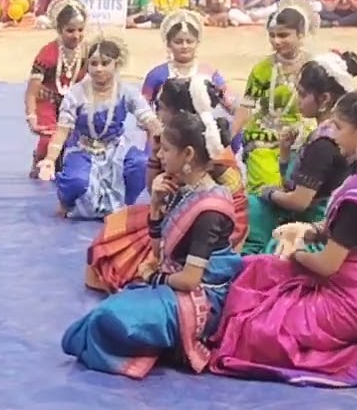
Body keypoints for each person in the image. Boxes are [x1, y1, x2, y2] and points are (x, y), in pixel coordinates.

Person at [209, 88, 357, 387]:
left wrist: (295, 251)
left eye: (340, 127)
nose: (333, 135)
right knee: (255, 267)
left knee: (256, 330)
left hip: (352, 302)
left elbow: (326, 266)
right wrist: (311, 230)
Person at [61, 109, 242, 378]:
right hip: (173, 286)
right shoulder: (185, 190)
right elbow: (160, 251)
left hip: (200, 299)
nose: (158, 155)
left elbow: (190, 279)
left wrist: (152, 276)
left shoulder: (210, 210)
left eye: (166, 149)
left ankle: (166, 344)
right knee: (95, 319)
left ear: (188, 155)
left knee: (109, 320)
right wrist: (156, 206)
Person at [86, 76, 249, 292]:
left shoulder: (208, 149)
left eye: (160, 107)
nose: (157, 114)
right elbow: (155, 185)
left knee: (117, 259)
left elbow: (226, 203)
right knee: (114, 230)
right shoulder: (173, 141)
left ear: (177, 111)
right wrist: (157, 161)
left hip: (208, 226)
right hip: (177, 209)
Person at [242, 51, 357, 255]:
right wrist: (285, 154)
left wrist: (267, 193)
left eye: (303, 94)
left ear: (324, 98)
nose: (298, 99)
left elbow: (299, 201)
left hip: (315, 225)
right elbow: (296, 186)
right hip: (323, 216)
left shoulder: (324, 142)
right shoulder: (335, 132)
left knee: (253, 206)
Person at [37, 33, 161, 220]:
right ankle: (67, 203)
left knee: (139, 164)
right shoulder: (76, 94)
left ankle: (123, 206)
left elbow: (150, 120)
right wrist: (49, 160)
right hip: (83, 149)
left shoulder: (126, 91)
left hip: (117, 149)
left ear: (116, 64)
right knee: (76, 182)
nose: (98, 69)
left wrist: (161, 148)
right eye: (93, 63)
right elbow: (63, 130)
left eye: (105, 63)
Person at [231, 0, 316, 193]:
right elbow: (246, 106)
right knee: (267, 191)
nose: (276, 41)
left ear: (301, 34)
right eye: (272, 36)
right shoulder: (262, 69)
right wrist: (230, 142)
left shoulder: (315, 67)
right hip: (265, 138)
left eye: (284, 35)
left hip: (304, 136)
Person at [24, 0, 87, 178]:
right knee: (47, 141)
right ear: (59, 30)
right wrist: (32, 117)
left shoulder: (88, 51)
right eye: (70, 30)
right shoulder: (47, 54)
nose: (76, 35)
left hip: (76, 104)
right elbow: (32, 92)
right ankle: (40, 160)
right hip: (47, 101)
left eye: (81, 30)